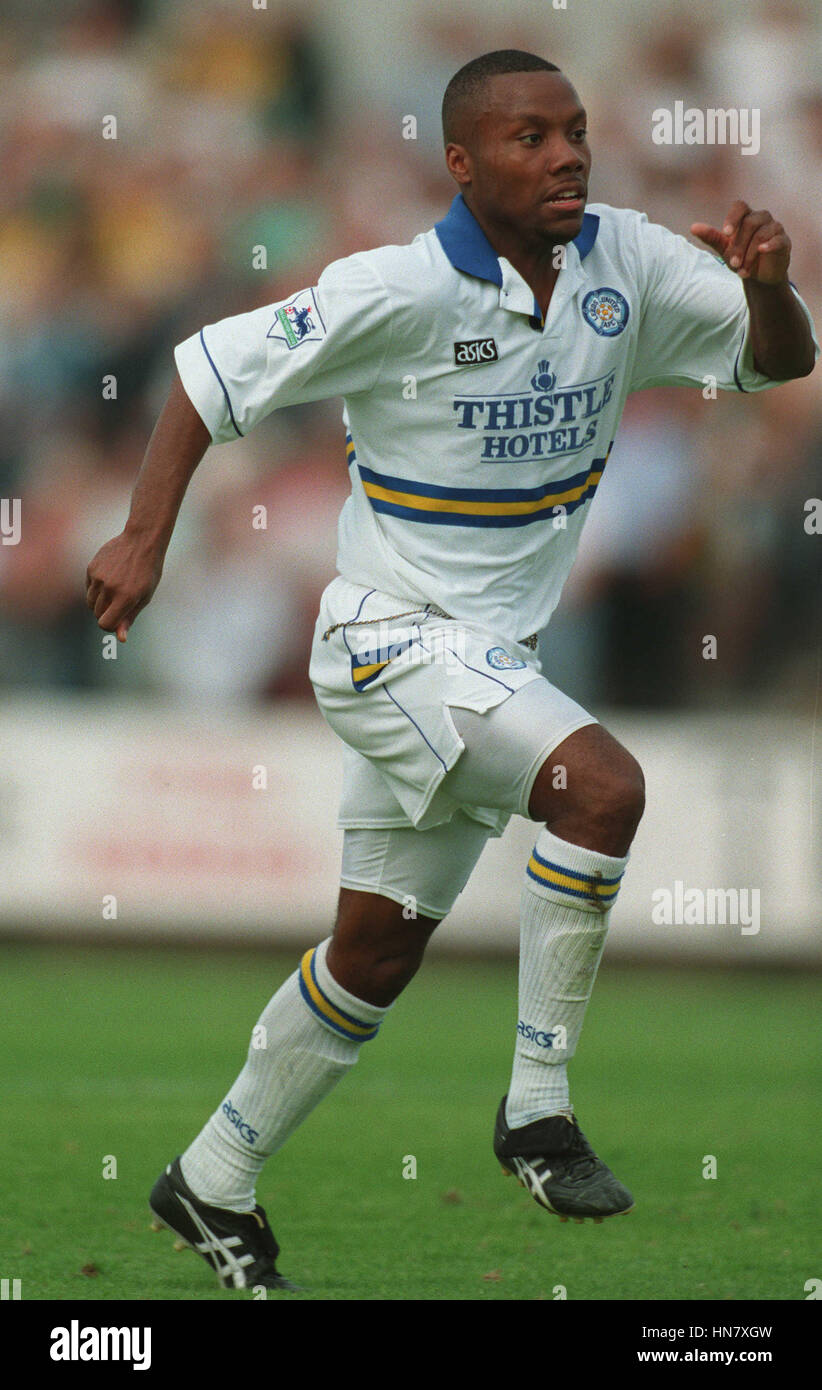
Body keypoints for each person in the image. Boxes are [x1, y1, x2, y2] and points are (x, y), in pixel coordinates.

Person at [85, 50, 817, 1293]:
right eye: (530, 138)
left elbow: (780, 361)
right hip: (387, 639)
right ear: (462, 163)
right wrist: (144, 536)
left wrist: (771, 290)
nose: (568, 154)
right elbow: (207, 375)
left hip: (492, 661)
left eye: (576, 131)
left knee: (373, 953)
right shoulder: (396, 289)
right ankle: (536, 1109)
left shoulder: (626, 265)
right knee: (603, 788)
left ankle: (210, 1177)